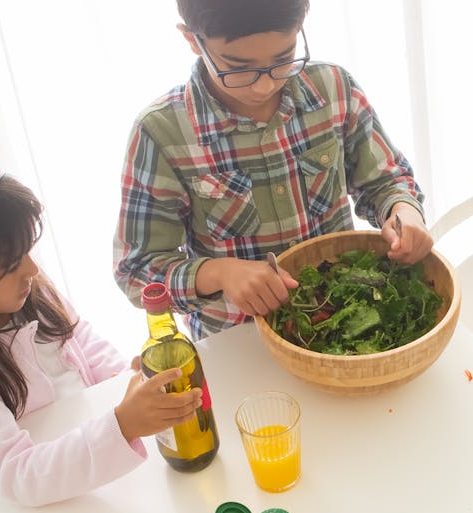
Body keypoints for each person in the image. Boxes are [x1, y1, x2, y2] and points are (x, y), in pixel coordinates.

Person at [0, 152, 204, 507]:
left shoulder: (24, 291)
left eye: (27, 251)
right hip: (36, 507)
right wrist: (123, 425)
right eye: (8, 266)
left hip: (92, 480)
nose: (32, 269)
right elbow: (16, 475)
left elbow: (82, 340)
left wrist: (123, 381)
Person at [113, 0, 433, 339]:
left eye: (284, 59)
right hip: (239, 342)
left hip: (346, 323)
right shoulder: (162, 132)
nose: (264, 86)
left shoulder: (334, 89)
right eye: (238, 68)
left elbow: (386, 180)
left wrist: (404, 212)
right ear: (193, 41)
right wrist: (219, 273)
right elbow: (136, 270)